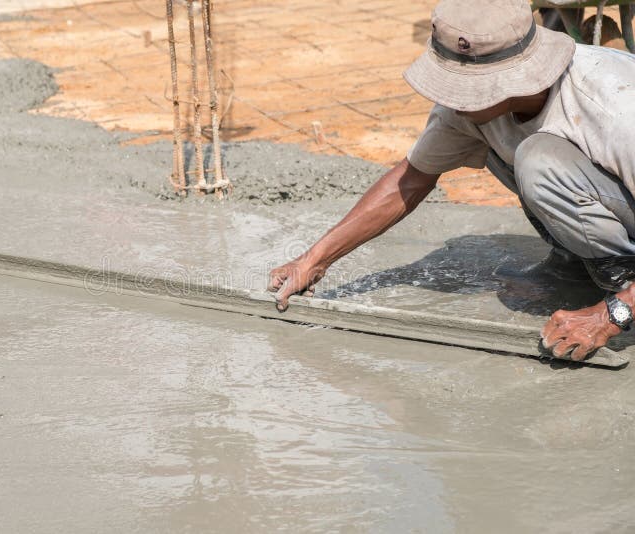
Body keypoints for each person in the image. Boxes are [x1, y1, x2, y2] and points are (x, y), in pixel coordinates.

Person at [268, 0, 635, 361]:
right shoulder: (470, 112)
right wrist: (314, 260)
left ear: (514, 79)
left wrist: (612, 315)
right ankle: (579, 263)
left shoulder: (614, 109)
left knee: (538, 159)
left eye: (466, 88)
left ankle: (624, 284)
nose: (452, 100)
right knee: (514, 150)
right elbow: (411, 180)